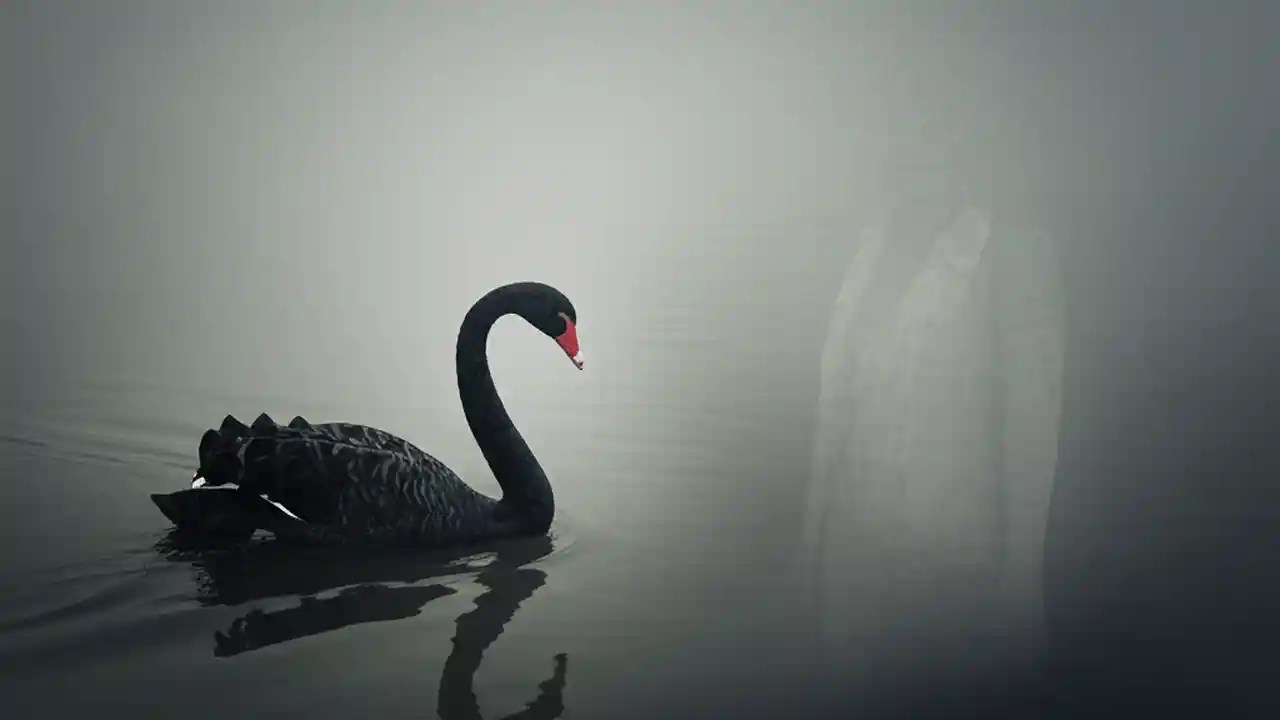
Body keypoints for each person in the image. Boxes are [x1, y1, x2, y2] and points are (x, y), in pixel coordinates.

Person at [803, 119, 1064, 701]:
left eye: (933, 136)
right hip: (854, 562)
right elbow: (837, 412)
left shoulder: (1015, 255)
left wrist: (1022, 582)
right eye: (903, 136)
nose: (913, 154)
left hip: (957, 565)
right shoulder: (866, 247)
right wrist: (815, 549)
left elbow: (1033, 423)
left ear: (963, 150)